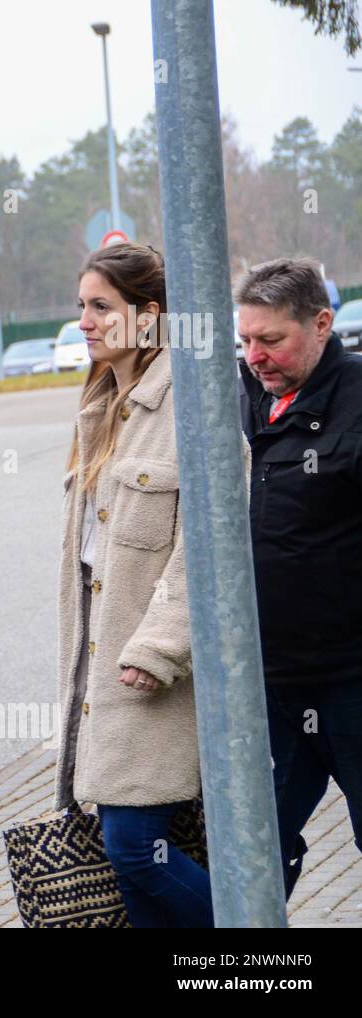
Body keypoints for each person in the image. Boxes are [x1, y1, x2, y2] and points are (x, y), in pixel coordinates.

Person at [53, 242, 212, 928]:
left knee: (132, 848)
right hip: (101, 675)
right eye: (81, 307)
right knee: (131, 871)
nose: (84, 322)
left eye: (100, 307)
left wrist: (159, 646)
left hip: (153, 676)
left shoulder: (190, 400)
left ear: (147, 317)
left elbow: (207, 541)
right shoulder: (100, 409)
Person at [235, 256, 362, 897]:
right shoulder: (231, 404)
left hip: (351, 682)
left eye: (272, 341)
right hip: (270, 688)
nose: (256, 356)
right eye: (246, 339)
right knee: (252, 849)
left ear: (320, 324)